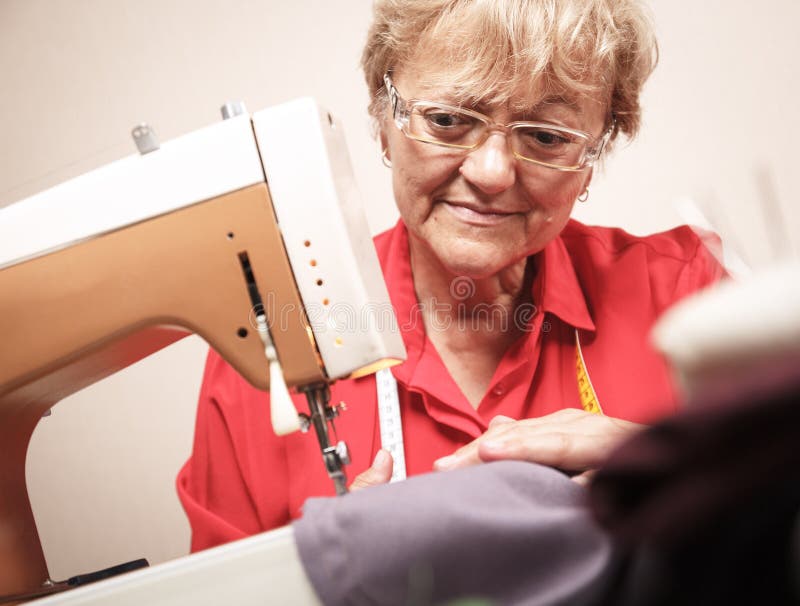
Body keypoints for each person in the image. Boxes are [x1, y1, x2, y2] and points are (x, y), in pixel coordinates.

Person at [178, 0, 724, 551]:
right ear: (382, 120)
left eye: (548, 137)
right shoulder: (269, 349)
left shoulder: (689, 302)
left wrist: (667, 469)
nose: (490, 173)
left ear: (593, 155)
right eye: (447, 120)